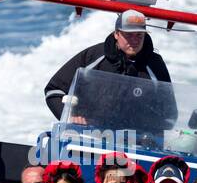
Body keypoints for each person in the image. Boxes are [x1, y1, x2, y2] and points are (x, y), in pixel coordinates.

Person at [43, 9, 172, 120]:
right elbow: (53, 90)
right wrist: (70, 118)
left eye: (139, 35)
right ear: (116, 34)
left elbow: (169, 115)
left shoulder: (155, 65)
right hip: (89, 136)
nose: (134, 40)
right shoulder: (94, 56)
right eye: (129, 35)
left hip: (137, 142)